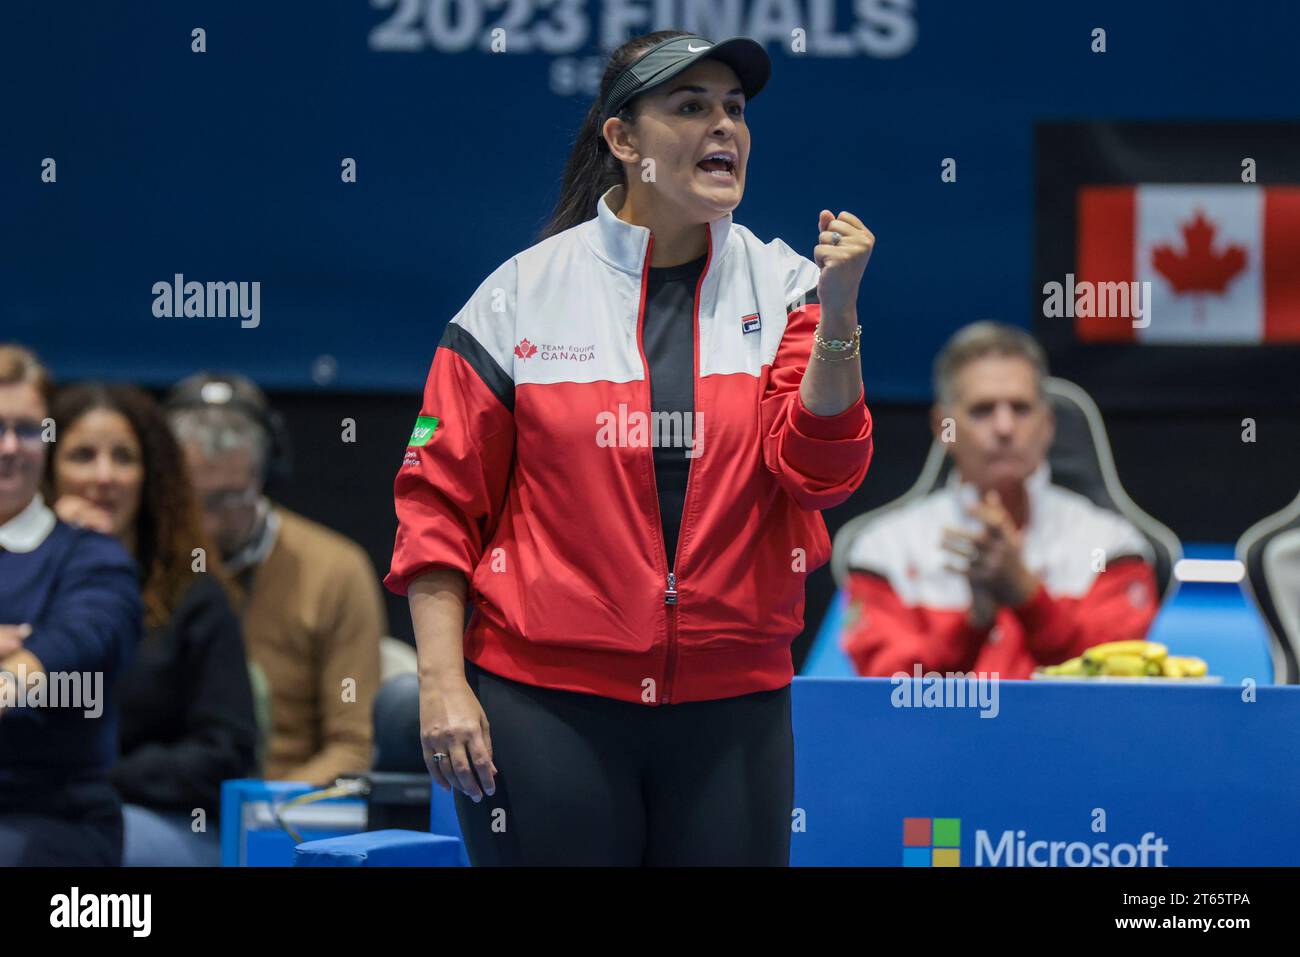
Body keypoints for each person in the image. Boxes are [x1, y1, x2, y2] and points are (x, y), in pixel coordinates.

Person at [386, 31, 876, 865]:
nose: (723, 127)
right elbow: (437, 506)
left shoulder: (791, 285)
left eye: (734, 109)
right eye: (691, 107)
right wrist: (440, 681)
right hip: (544, 705)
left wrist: (839, 317)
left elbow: (820, 470)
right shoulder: (517, 299)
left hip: (734, 708)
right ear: (622, 140)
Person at [842, 322, 1159, 679]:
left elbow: (1117, 682)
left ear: (1048, 425)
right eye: (983, 410)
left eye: (1021, 409)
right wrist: (972, 624)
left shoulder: (1113, 544)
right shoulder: (884, 549)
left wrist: (1027, 596)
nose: (1005, 427)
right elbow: (881, 690)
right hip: (940, 735)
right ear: (942, 427)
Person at [47, 382, 257, 865]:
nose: (104, 476)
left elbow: (225, 753)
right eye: (82, 456)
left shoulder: (194, 594)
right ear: (49, 470)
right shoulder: (17, 579)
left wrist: (100, 773)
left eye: (123, 457)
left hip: (163, 818)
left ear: (149, 476)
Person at [166, 373, 383, 785]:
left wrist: (261, 813)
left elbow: (354, 744)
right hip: (167, 798)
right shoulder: (141, 567)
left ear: (265, 478)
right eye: (189, 499)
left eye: (227, 498)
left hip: (282, 808)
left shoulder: (334, 570)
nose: (206, 524)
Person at [0, 346, 142, 865]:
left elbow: (76, 644)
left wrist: (16, 672)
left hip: (49, 818)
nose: (11, 447)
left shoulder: (92, 554)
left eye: (27, 429)